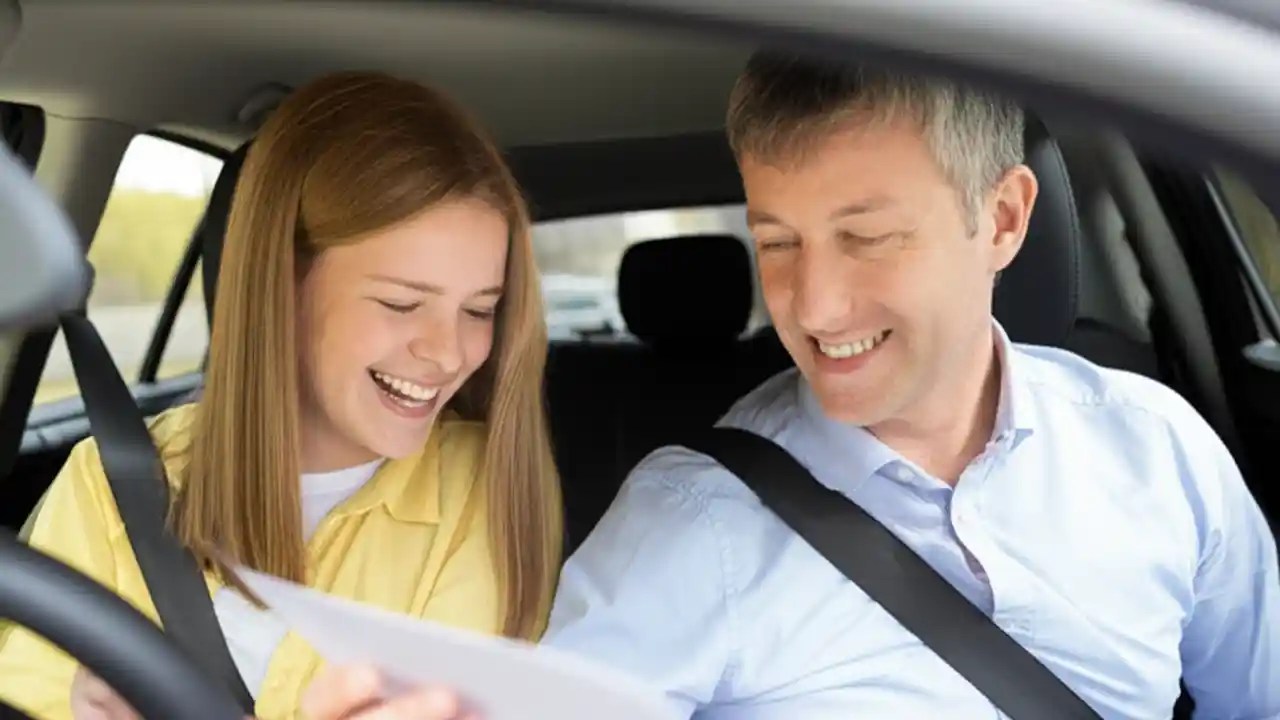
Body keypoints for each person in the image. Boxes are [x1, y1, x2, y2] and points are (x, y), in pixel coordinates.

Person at [304, 50, 1280, 719]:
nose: (811, 306)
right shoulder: (692, 517)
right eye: (774, 243)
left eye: (865, 236)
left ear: (1002, 220)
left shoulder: (1155, 448)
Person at [0, 70, 563, 720]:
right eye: (402, 303)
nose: (448, 351)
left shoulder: (486, 485)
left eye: (480, 310)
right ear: (285, 284)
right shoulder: (110, 482)